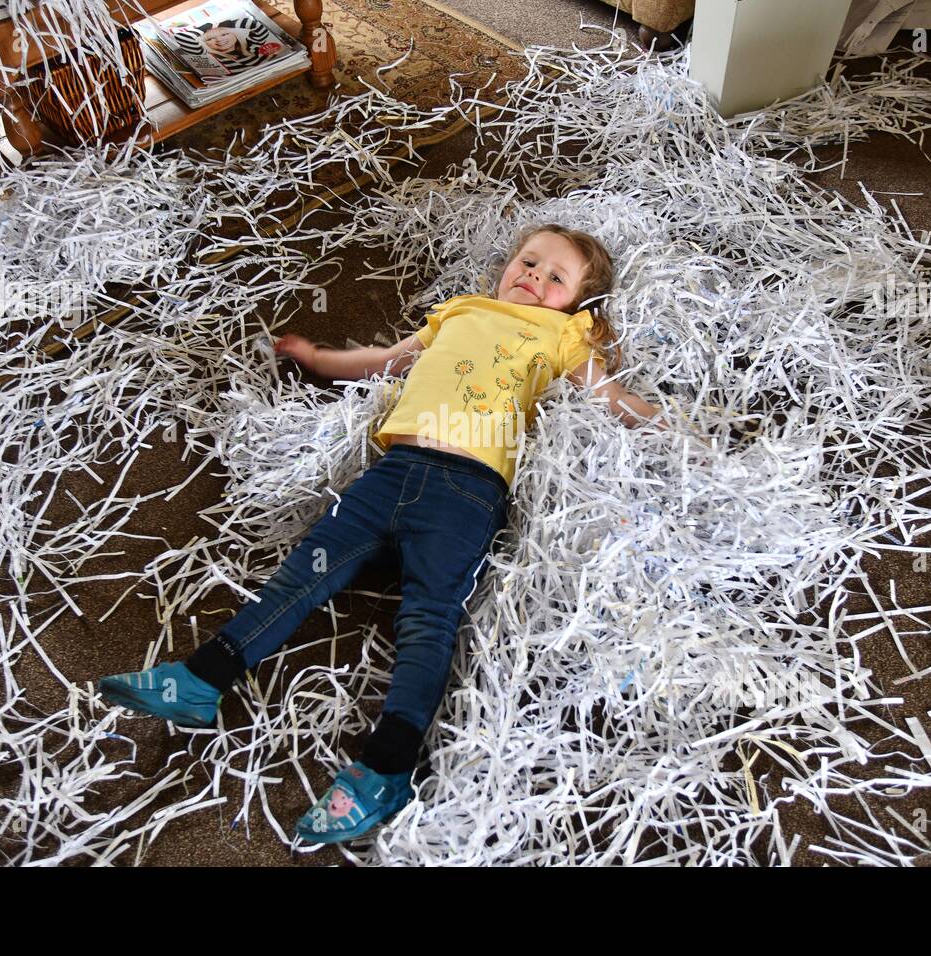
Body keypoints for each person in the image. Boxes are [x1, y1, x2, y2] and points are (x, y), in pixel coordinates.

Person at [96, 224, 670, 844]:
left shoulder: (562, 335)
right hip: (392, 471)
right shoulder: (461, 312)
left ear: (577, 304)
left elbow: (610, 397)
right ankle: (202, 679)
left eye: (555, 277)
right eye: (527, 261)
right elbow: (385, 360)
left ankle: (387, 767)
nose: (533, 276)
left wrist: (672, 424)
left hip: (469, 492)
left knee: (429, 618)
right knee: (304, 570)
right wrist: (317, 360)